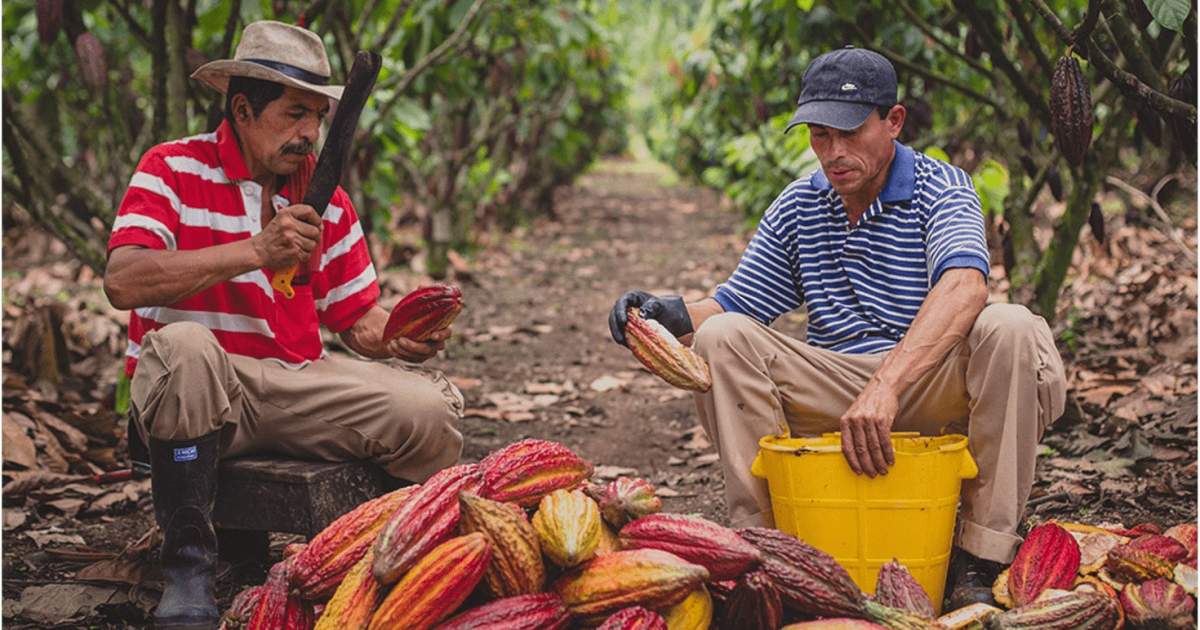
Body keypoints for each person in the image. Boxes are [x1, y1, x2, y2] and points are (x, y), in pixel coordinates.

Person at [608, 46, 1066, 609]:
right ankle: (769, 553)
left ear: (893, 121)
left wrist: (887, 386)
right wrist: (665, 314)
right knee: (720, 338)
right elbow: (733, 305)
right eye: (820, 136)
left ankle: (981, 555)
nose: (834, 152)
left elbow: (966, 287)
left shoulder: (941, 188)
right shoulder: (800, 204)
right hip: (835, 390)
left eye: (849, 133)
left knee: (1012, 327)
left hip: (927, 381)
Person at [103, 21, 464, 629]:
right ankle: (188, 568)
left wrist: (396, 337)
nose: (308, 134)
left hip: (292, 385)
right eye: (295, 114)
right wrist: (255, 250)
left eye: (318, 118)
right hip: (195, 392)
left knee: (430, 410)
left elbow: (356, 318)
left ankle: (395, 563)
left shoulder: (325, 198)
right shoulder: (171, 168)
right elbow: (123, 281)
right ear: (243, 109)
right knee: (186, 344)